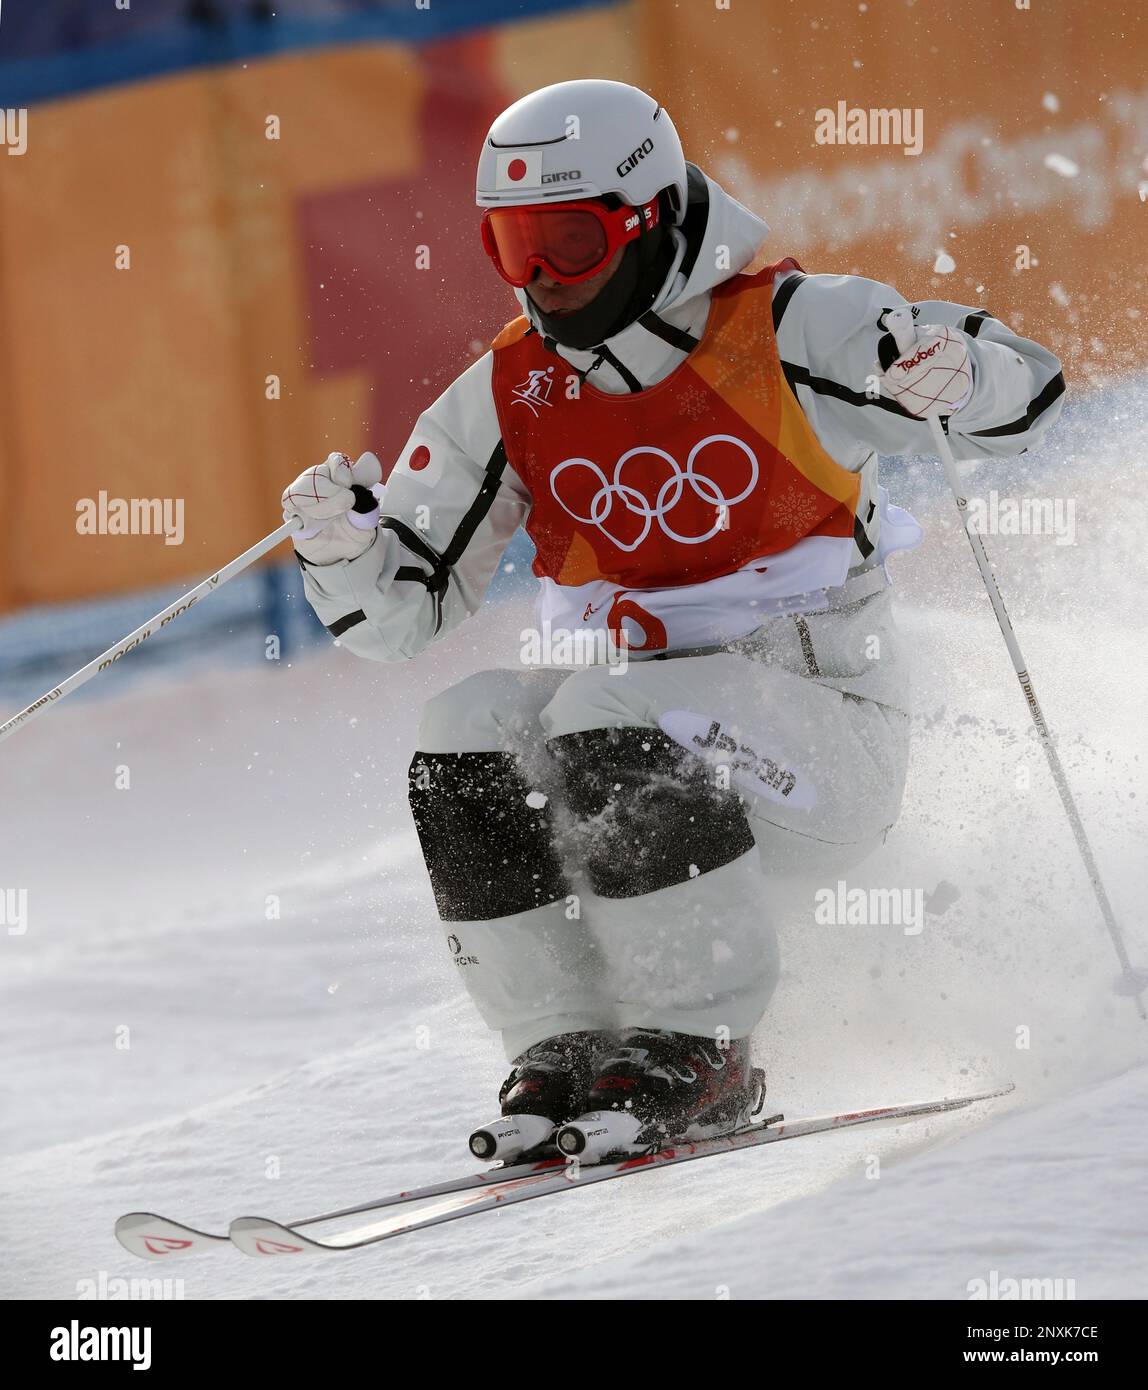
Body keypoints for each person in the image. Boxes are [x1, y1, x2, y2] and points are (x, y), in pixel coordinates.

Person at [281, 79, 1064, 1163]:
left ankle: (701, 1044)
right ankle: (561, 1041)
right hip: (642, 768)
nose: (543, 280)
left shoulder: (788, 328)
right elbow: (397, 614)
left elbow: (1025, 393)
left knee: (610, 697)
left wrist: (958, 375)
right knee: (462, 721)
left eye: (569, 240)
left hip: (823, 752)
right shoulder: (512, 392)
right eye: (511, 249)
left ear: (650, 217)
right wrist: (340, 552)